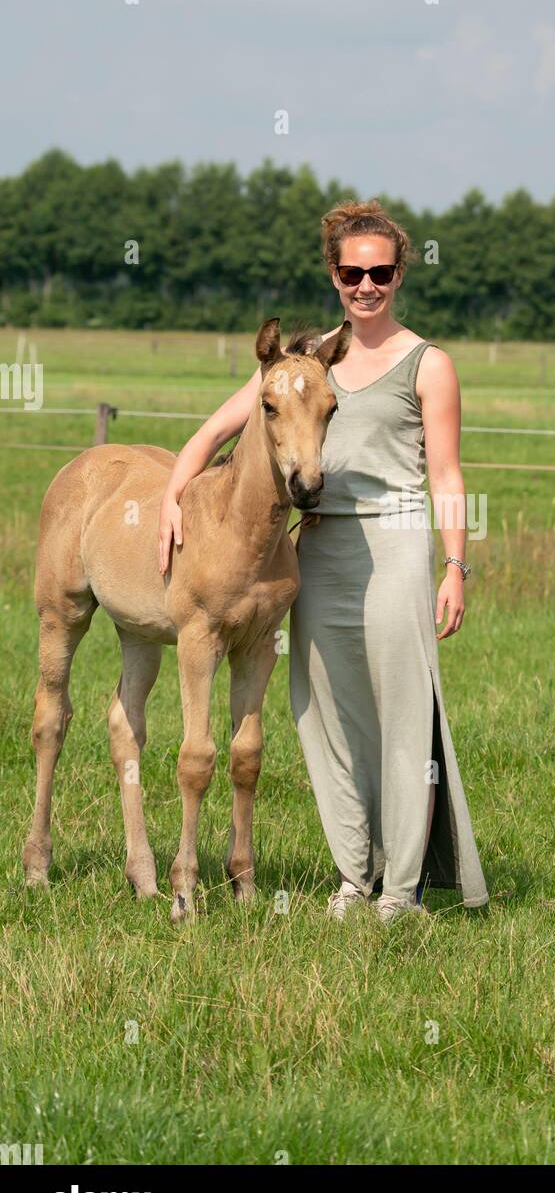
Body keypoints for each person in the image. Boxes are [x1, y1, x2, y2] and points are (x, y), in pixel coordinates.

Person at [158, 198, 488, 923]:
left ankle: (402, 888)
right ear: (334, 275)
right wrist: (172, 497)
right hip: (318, 546)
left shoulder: (428, 364)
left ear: (400, 274)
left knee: (402, 714)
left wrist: (455, 566)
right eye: (352, 272)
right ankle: (353, 875)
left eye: (381, 271)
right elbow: (216, 431)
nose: (366, 284)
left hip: (396, 545)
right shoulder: (305, 364)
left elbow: (448, 477)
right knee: (323, 715)